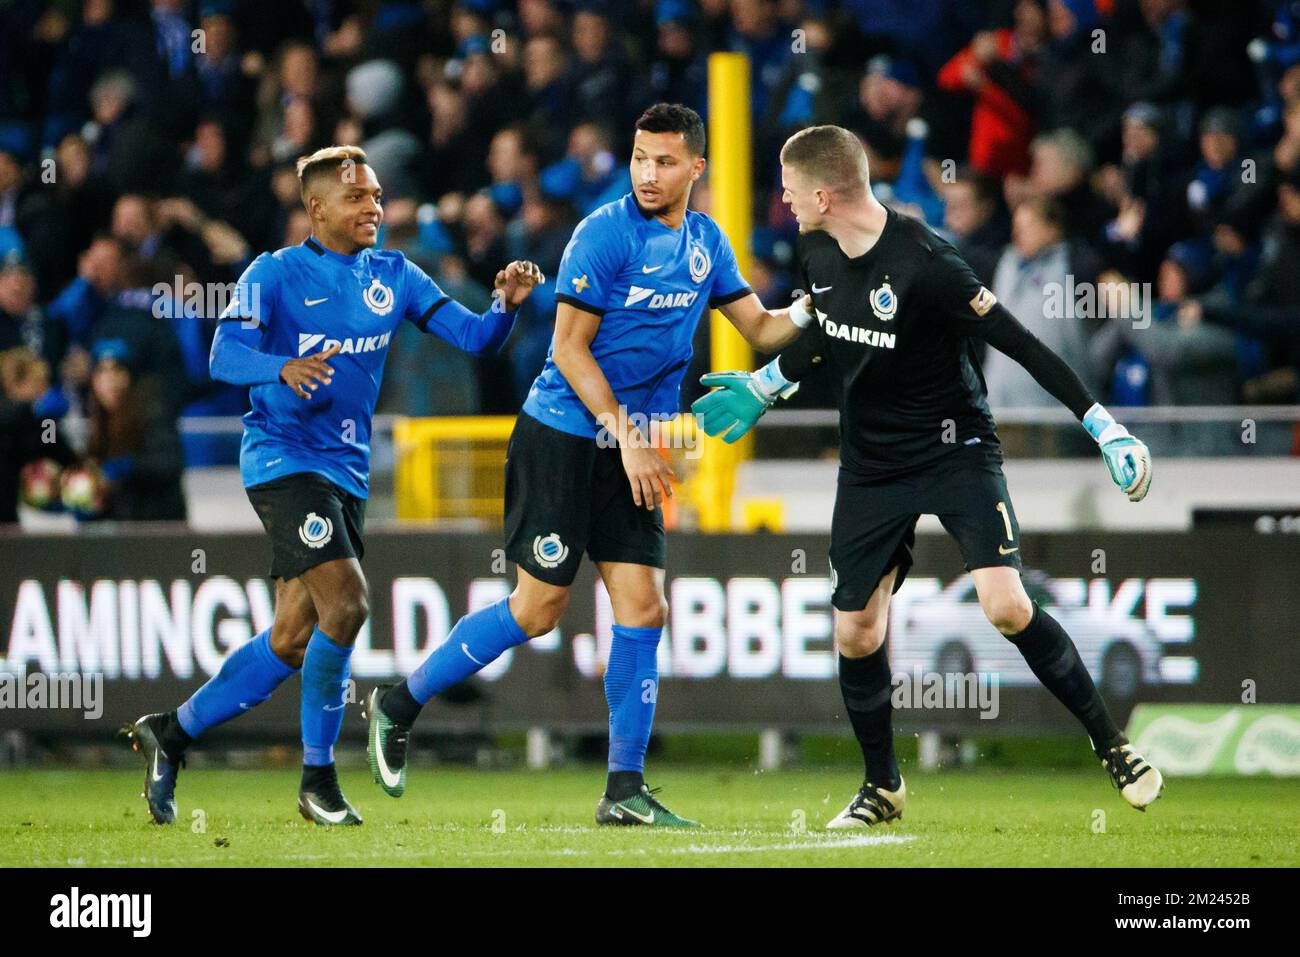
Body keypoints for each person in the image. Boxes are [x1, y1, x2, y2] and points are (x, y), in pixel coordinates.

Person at [692, 125, 1163, 828]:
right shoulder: (816, 249)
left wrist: (1103, 423)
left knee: (1005, 605)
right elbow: (830, 328)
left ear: (823, 192)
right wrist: (767, 384)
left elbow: (1021, 342)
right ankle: (882, 786)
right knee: (855, 629)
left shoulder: (929, 262)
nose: (783, 202)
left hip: (956, 449)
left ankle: (1113, 744)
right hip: (872, 464)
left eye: (789, 191)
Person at [364, 103, 810, 828]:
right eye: (640, 157)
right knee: (539, 609)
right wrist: (630, 436)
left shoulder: (707, 243)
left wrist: (822, 305)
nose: (648, 173)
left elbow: (761, 327)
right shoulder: (602, 235)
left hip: (630, 445)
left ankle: (623, 788)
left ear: (697, 168)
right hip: (565, 436)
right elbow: (568, 351)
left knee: (643, 608)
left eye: (665, 162)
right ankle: (399, 701)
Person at [126, 145, 543, 827]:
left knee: (292, 637)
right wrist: (282, 365)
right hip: (283, 459)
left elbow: (475, 340)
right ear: (315, 209)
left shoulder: (395, 274)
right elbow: (223, 354)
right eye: (357, 198)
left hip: (345, 470)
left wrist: (505, 305)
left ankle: (170, 732)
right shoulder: (275, 273)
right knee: (346, 603)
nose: (373, 207)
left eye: (376, 195)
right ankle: (318, 778)